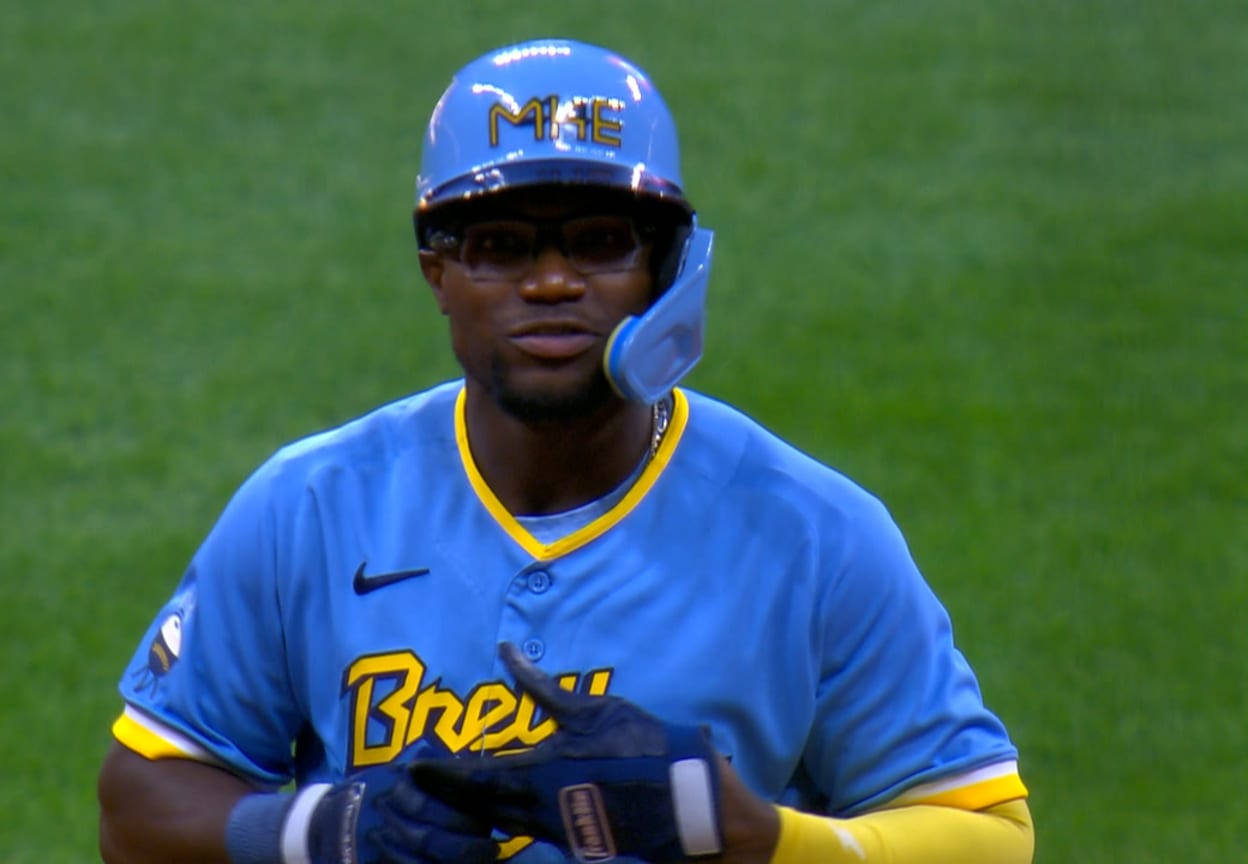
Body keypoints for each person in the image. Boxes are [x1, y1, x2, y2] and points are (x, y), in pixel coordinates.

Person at [97, 38, 1035, 864]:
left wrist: (753, 838)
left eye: (598, 242)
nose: (550, 282)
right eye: (500, 247)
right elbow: (138, 808)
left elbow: (987, 832)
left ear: (666, 270)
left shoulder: (815, 537)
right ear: (438, 274)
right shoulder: (308, 508)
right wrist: (328, 834)